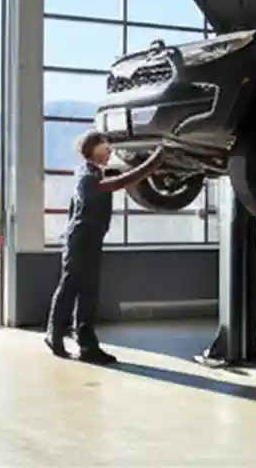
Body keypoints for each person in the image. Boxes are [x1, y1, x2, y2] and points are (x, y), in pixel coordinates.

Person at [45, 131, 166, 363]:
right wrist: (155, 161)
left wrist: (153, 164)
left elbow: (123, 172)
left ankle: (86, 345)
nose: (109, 149)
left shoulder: (95, 171)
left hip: (90, 240)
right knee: (71, 286)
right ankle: (55, 334)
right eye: (105, 145)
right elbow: (118, 182)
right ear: (92, 148)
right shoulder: (87, 175)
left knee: (88, 292)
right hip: (80, 240)